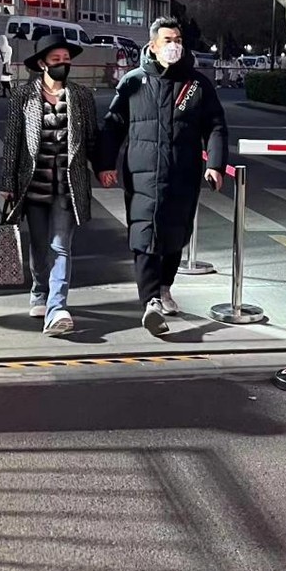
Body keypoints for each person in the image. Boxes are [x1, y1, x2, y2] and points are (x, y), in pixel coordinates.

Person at [98, 17, 229, 336]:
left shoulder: (197, 84)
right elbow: (113, 124)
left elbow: (215, 126)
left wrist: (215, 164)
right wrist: (105, 164)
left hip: (183, 172)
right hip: (141, 173)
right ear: (153, 45)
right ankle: (150, 302)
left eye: (178, 40)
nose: (174, 46)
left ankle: (165, 287)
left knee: (175, 233)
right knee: (144, 233)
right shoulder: (133, 82)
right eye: (167, 40)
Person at [0, 37, 100, 335]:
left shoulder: (81, 96)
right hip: (33, 184)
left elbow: (92, 139)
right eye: (56, 59)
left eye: (66, 59)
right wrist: (7, 181)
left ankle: (57, 309)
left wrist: (103, 168)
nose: (63, 64)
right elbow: (13, 141)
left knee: (60, 246)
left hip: (68, 185)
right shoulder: (23, 96)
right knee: (39, 245)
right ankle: (39, 291)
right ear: (42, 63)